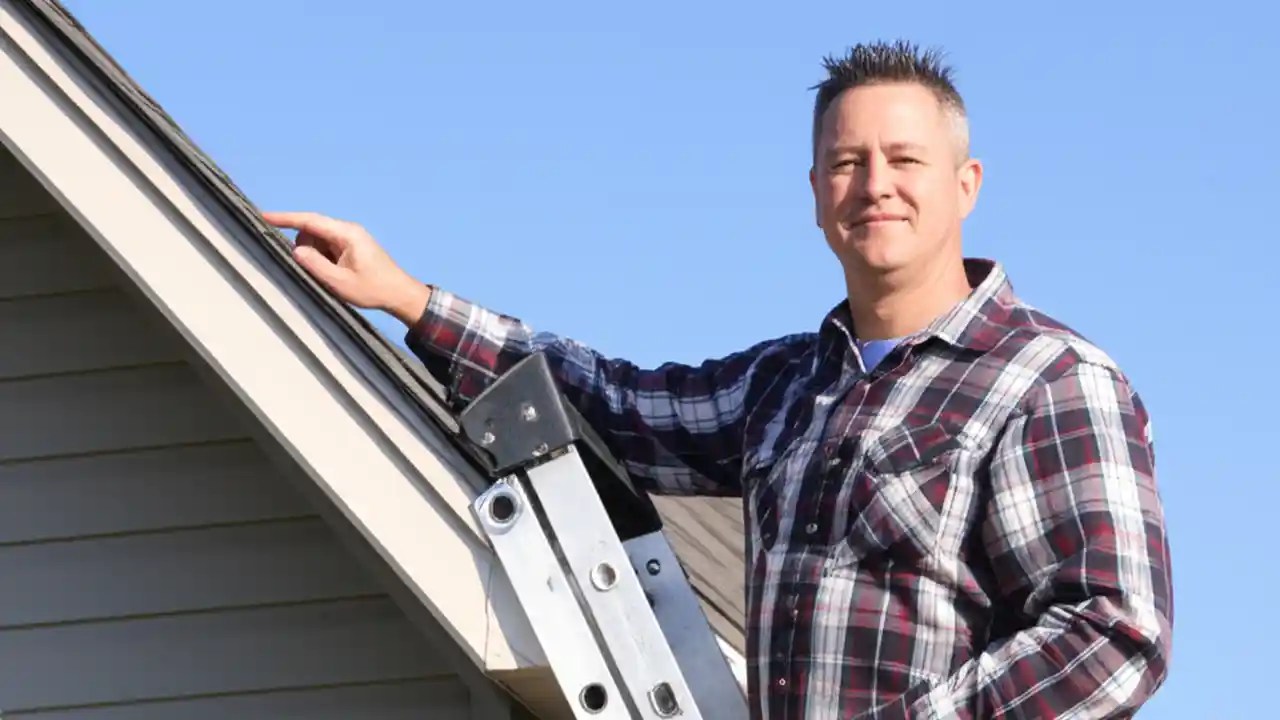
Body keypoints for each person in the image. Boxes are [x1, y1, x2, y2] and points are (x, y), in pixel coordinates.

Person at [264, 39, 1173, 720]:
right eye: (848, 164)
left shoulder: (1049, 380)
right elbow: (612, 403)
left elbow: (1112, 634)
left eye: (905, 161)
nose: (874, 185)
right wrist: (409, 298)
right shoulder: (784, 387)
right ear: (816, 191)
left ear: (965, 184)